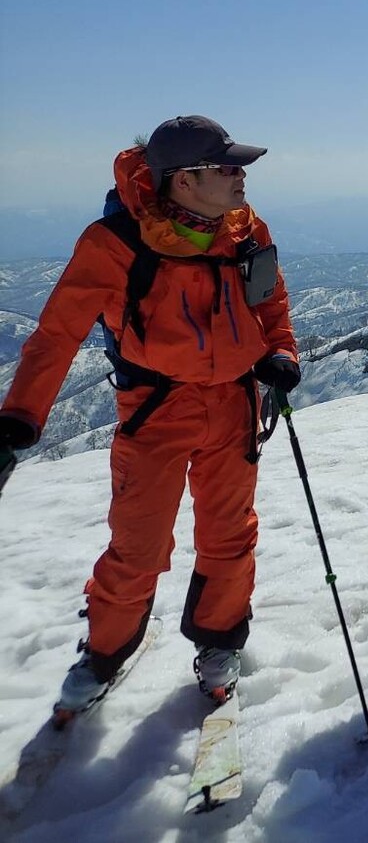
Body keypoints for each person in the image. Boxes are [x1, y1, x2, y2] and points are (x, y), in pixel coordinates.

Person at [0, 115, 300, 718]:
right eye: (227, 167)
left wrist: (282, 352)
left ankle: (220, 642)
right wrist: (19, 419)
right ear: (183, 181)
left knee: (230, 534)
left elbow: (271, 300)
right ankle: (104, 653)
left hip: (234, 402)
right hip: (157, 408)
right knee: (138, 544)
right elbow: (57, 334)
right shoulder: (114, 242)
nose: (241, 176)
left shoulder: (245, 228)